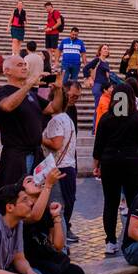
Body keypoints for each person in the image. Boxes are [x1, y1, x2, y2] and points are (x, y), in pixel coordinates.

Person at [92, 82, 138, 257]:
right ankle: (131, 237)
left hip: (110, 163)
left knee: (110, 202)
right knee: (134, 201)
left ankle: (110, 241)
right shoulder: (137, 118)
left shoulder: (106, 118)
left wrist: (96, 166)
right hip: (132, 163)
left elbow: (98, 145)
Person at [0, 55, 46, 192]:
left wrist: (59, 88)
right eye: (19, 65)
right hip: (16, 156)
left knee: (35, 197)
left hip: (35, 154)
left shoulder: (31, 94)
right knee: (15, 197)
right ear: (7, 71)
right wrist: (29, 84)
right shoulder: (3, 91)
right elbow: (7, 106)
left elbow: (54, 108)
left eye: (25, 64)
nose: (24, 67)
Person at [41, 83, 81, 242]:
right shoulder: (67, 118)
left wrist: (40, 138)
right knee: (63, 208)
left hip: (59, 169)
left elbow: (57, 144)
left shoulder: (56, 120)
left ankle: (60, 246)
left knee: (58, 210)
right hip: (68, 166)